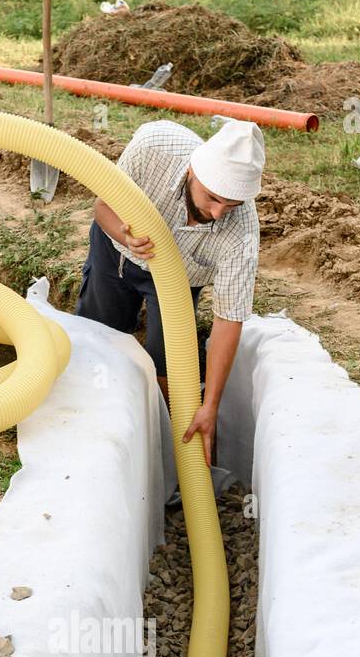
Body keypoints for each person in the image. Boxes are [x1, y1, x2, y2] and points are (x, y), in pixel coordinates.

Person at [74, 117, 264, 466]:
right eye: (213, 198)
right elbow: (102, 206)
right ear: (193, 171)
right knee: (97, 339)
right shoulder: (153, 147)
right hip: (120, 251)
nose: (219, 213)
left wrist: (210, 407)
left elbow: (227, 320)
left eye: (232, 205)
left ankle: (167, 460)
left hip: (179, 282)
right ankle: (87, 427)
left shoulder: (242, 235)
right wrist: (124, 234)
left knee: (170, 370)